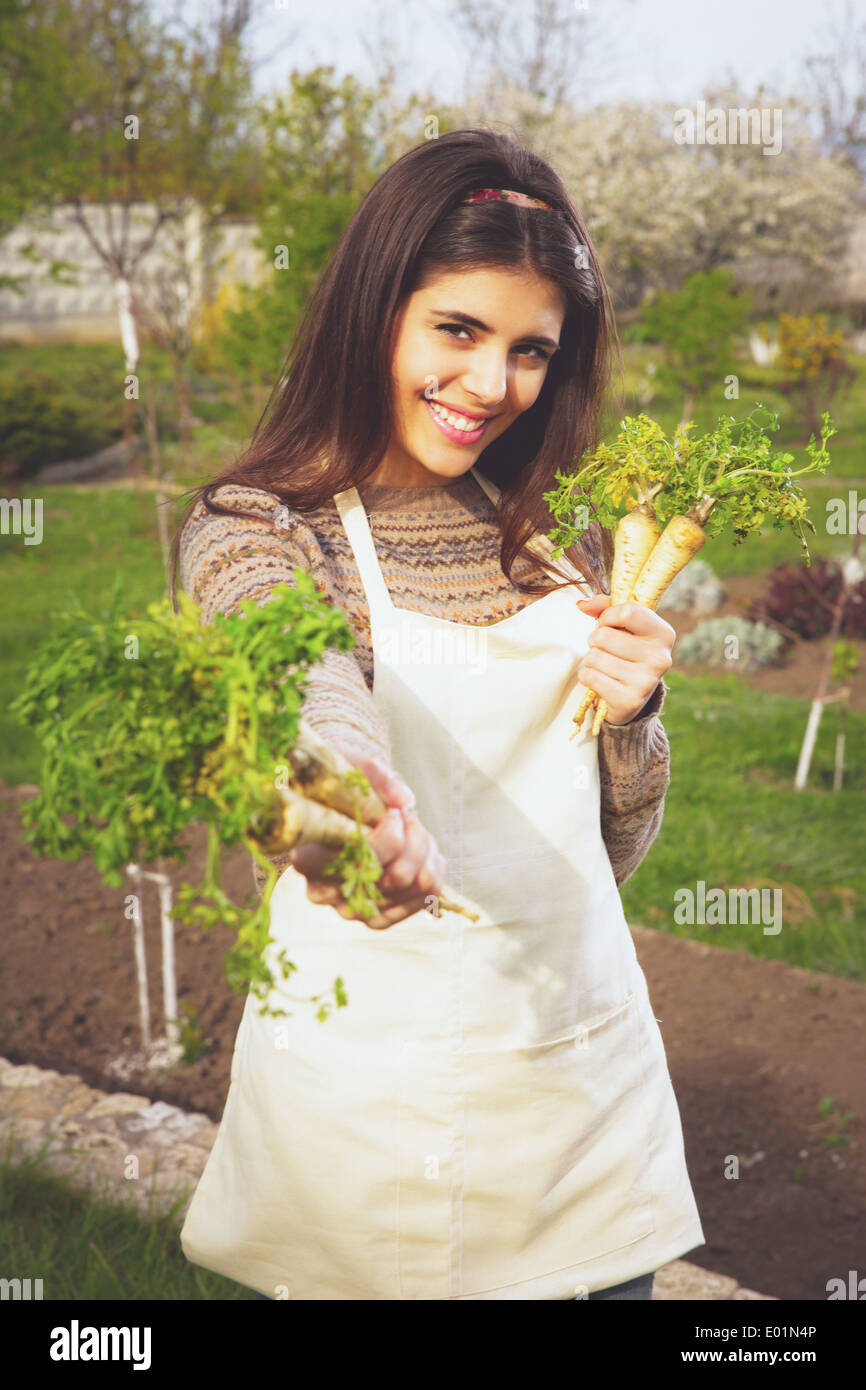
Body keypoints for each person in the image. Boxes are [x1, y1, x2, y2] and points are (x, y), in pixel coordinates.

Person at [171, 127, 705, 1301]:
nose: (488, 385)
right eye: (455, 330)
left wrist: (633, 713)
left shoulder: (565, 542)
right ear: (374, 311)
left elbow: (602, 854)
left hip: (576, 1087)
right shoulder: (261, 527)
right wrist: (349, 802)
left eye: (528, 351)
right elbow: (298, 680)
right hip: (370, 1107)